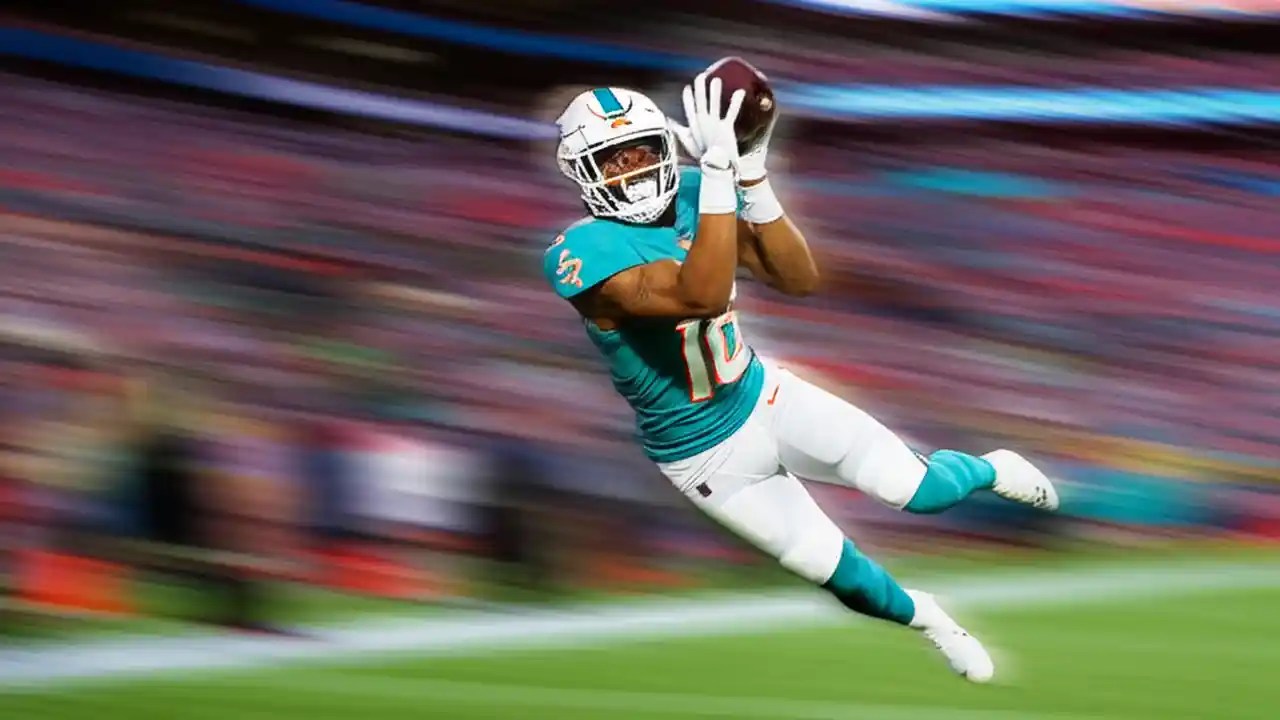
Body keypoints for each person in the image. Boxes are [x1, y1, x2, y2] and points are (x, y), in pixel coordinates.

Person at [540, 69, 1059, 683]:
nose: (631, 172)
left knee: (921, 492)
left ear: (664, 148)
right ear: (581, 172)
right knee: (842, 578)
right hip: (701, 456)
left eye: (641, 153)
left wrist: (753, 173)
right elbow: (699, 295)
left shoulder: (690, 192)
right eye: (612, 159)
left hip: (765, 396)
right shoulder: (581, 253)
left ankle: (993, 466)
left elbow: (796, 279)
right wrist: (716, 178)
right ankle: (933, 621)